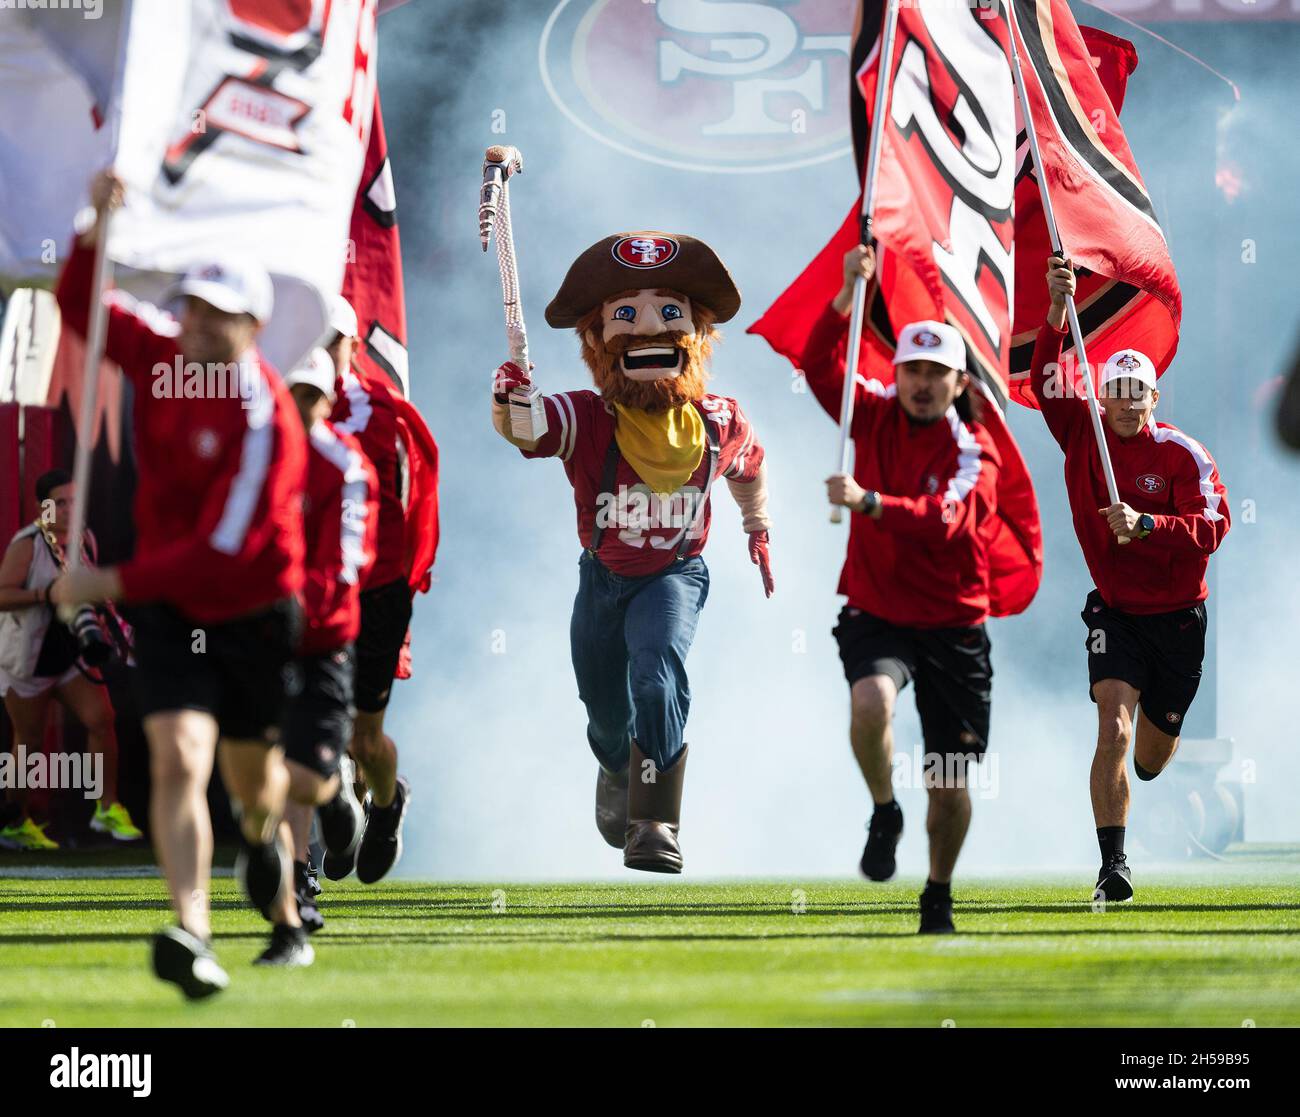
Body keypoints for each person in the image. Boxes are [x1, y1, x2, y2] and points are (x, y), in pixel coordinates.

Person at [51, 168, 308, 992]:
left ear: (253, 327)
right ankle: (191, 927)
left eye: (217, 315)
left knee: (251, 790)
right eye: (191, 306)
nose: (195, 324)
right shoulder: (158, 351)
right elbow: (80, 300)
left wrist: (105, 581)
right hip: (166, 609)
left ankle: (270, 866)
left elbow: (222, 553)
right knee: (175, 758)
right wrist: (98, 220)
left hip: (251, 611)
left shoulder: (265, 415)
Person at [491, 230, 773, 873]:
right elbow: (530, 430)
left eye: (669, 313)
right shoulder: (589, 417)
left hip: (674, 576)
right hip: (603, 580)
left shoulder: (720, 419)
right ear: (598, 342)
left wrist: (757, 528)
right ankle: (617, 765)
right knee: (604, 711)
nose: (649, 328)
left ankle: (655, 824)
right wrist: (510, 396)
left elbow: (749, 466)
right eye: (626, 316)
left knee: (656, 676)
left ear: (696, 337)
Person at [809, 245, 1008, 934]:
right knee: (870, 702)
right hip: (879, 609)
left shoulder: (976, 450)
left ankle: (938, 890)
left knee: (949, 778)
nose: (921, 382)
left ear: (959, 382)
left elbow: (949, 523)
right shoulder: (873, 408)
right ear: (897, 372)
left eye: (936, 372)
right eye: (912, 369)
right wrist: (846, 291)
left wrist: (870, 503)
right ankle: (883, 808)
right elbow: (821, 365)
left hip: (954, 624)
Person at [1033, 256, 1230, 902]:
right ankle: (1113, 864)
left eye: (1133, 394)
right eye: (1112, 393)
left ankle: (1153, 758)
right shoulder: (1083, 434)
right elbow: (1045, 380)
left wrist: (1146, 525)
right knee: (1112, 727)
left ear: (1153, 398)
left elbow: (1213, 527)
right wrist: (1058, 308)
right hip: (1115, 612)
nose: (1121, 405)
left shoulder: (1183, 454)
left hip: (1176, 618)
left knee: (1149, 756)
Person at [279, 348, 376, 932]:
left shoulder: (344, 464)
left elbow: (347, 561)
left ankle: (335, 790)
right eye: (290, 394)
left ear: (326, 400)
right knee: (270, 763)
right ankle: (296, 886)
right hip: (261, 635)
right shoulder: (253, 453)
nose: (298, 407)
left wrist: (291, 607)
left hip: (322, 637)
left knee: (305, 767)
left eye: (310, 395)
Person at [0, 469, 142, 849]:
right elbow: (2, 595)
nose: (67, 509)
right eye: (59, 502)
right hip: (26, 660)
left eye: (74, 501)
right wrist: (47, 594)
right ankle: (16, 821)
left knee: (102, 718)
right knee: (28, 741)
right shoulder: (27, 543)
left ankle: (107, 807)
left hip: (68, 657)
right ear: (42, 505)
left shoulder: (85, 539)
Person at [322, 297, 411, 884]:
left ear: (353, 347)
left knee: (364, 736)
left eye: (330, 339)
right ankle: (320, 832)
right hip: (303, 588)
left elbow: (411, 514)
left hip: (375, 589)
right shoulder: (267, 405)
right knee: (303, 722)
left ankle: (384, 806)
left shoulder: (381, 415)